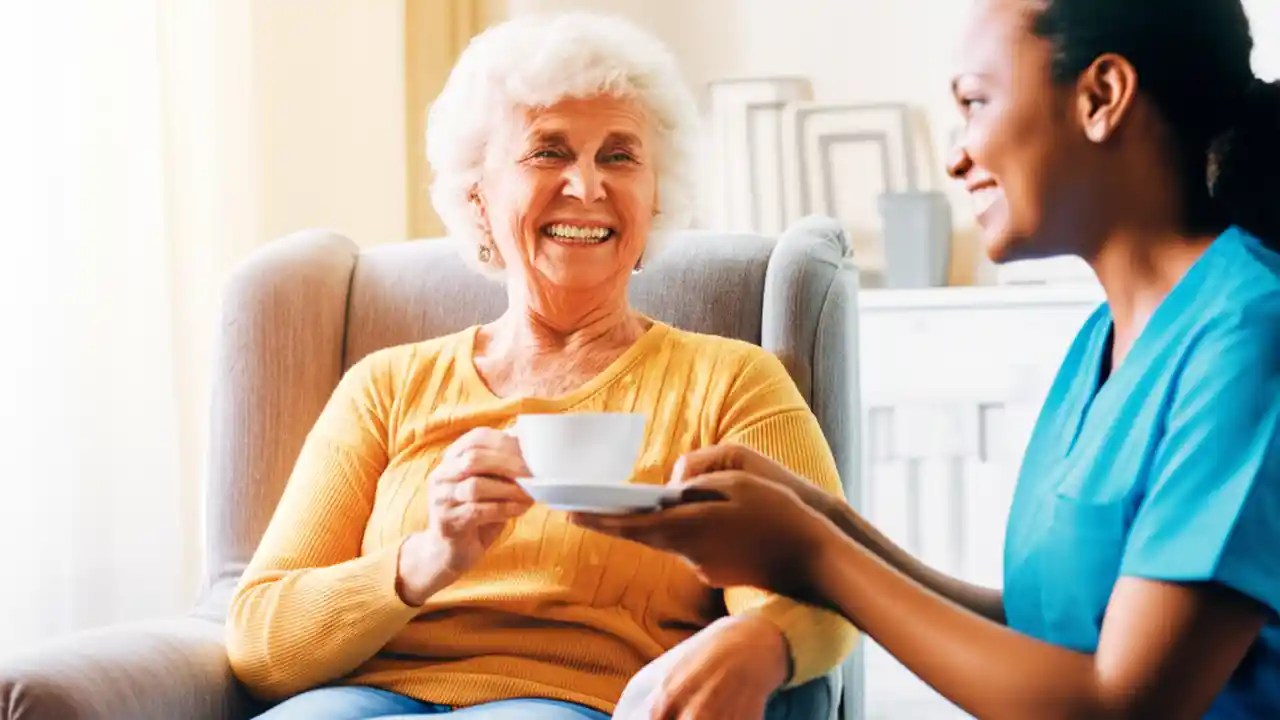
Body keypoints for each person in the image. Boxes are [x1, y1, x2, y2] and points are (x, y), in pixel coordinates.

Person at [575, 0, 1280, 717]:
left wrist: (814, 552)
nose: (956, 155)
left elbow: (1119, 703)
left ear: (1101, 97)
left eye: (975, 103)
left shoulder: (1250, 339)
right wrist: (817, 517)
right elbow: (1049, 638)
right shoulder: (1106, 336)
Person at [225, 12, 856, 720]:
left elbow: (819, 587)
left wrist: (765, 636)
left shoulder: (729, 382)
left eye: (619, 157)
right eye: (548, 152)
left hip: (574, 702)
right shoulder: (386, 387)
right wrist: (427, 557)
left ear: (656, 200)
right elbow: (259, 643)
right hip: (358, 698)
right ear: (479, 200)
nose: (586, 187)